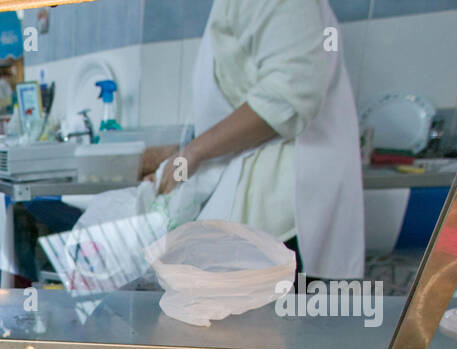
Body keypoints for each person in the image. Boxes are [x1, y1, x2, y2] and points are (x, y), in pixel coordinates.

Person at [139, 0, 364, 278]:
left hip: (282, 204)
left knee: (262, 317)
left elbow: (289, 95)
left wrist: (193, 153)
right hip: (259, 191)